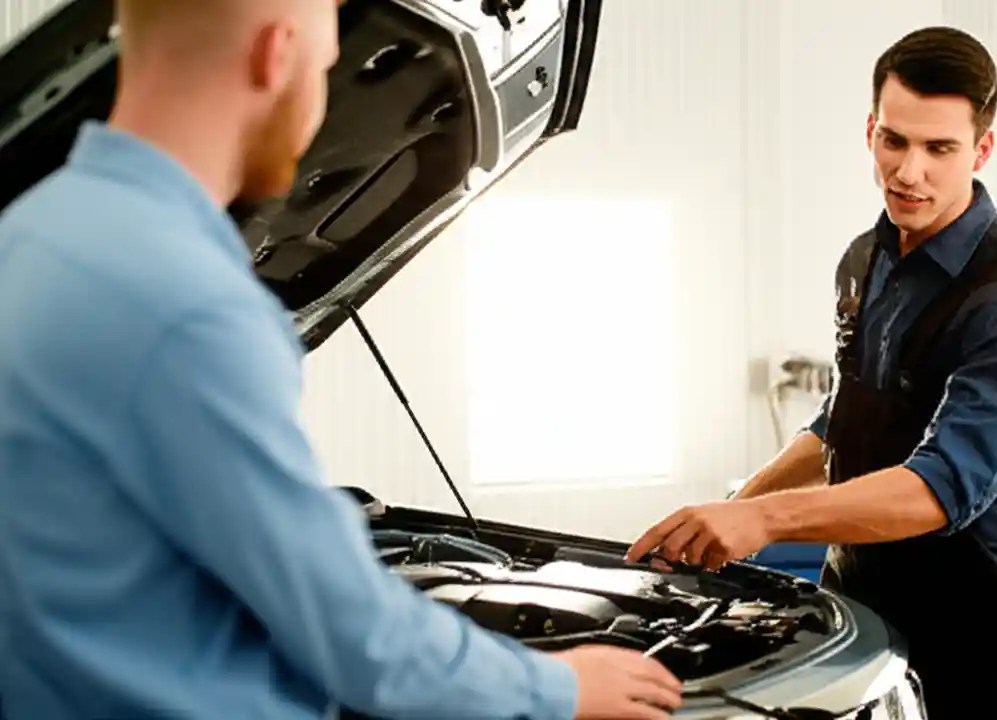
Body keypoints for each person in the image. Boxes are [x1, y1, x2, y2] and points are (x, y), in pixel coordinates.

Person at [0, 1, 682, 719]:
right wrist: (560, 687)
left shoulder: (30, 238)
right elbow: (360, 641)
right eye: (325, 67)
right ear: (275, 55)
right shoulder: (185, 299)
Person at [626, 27, 997, 720]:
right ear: (869, 131)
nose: (909, 172)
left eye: (939, 149)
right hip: (855, 589)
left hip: (970, 619)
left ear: (981, 150)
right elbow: (844, 417)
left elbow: (943, 488)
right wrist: (730, 514)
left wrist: (761, 520)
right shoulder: (864, 259)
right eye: (894, 140)